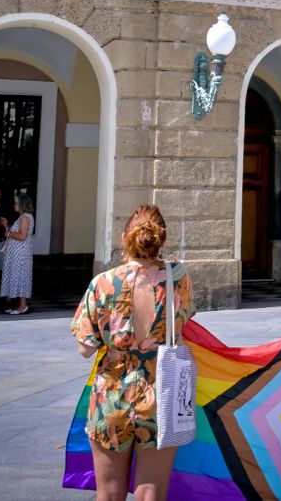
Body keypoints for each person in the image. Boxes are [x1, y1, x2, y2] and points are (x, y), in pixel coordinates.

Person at [70, 205, 193, 501]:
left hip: (111, 394)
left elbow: (85, 348)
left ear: (126, 237)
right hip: (161, 392)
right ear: (161, 240)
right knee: (150, 492)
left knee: (109, 493)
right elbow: (183, 324)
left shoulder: (103, 282)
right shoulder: (178, 277)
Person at [2, 194, 35, 315]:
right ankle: (18, 304)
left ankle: (23, 305)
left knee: (20, 276)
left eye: (16, 203)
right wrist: (7, 227)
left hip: (20, 254)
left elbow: (22, 236)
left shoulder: (25, 217)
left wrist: (9, 234)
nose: (14, 205)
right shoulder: (22, 217)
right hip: (17, 254)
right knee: (17, 276)